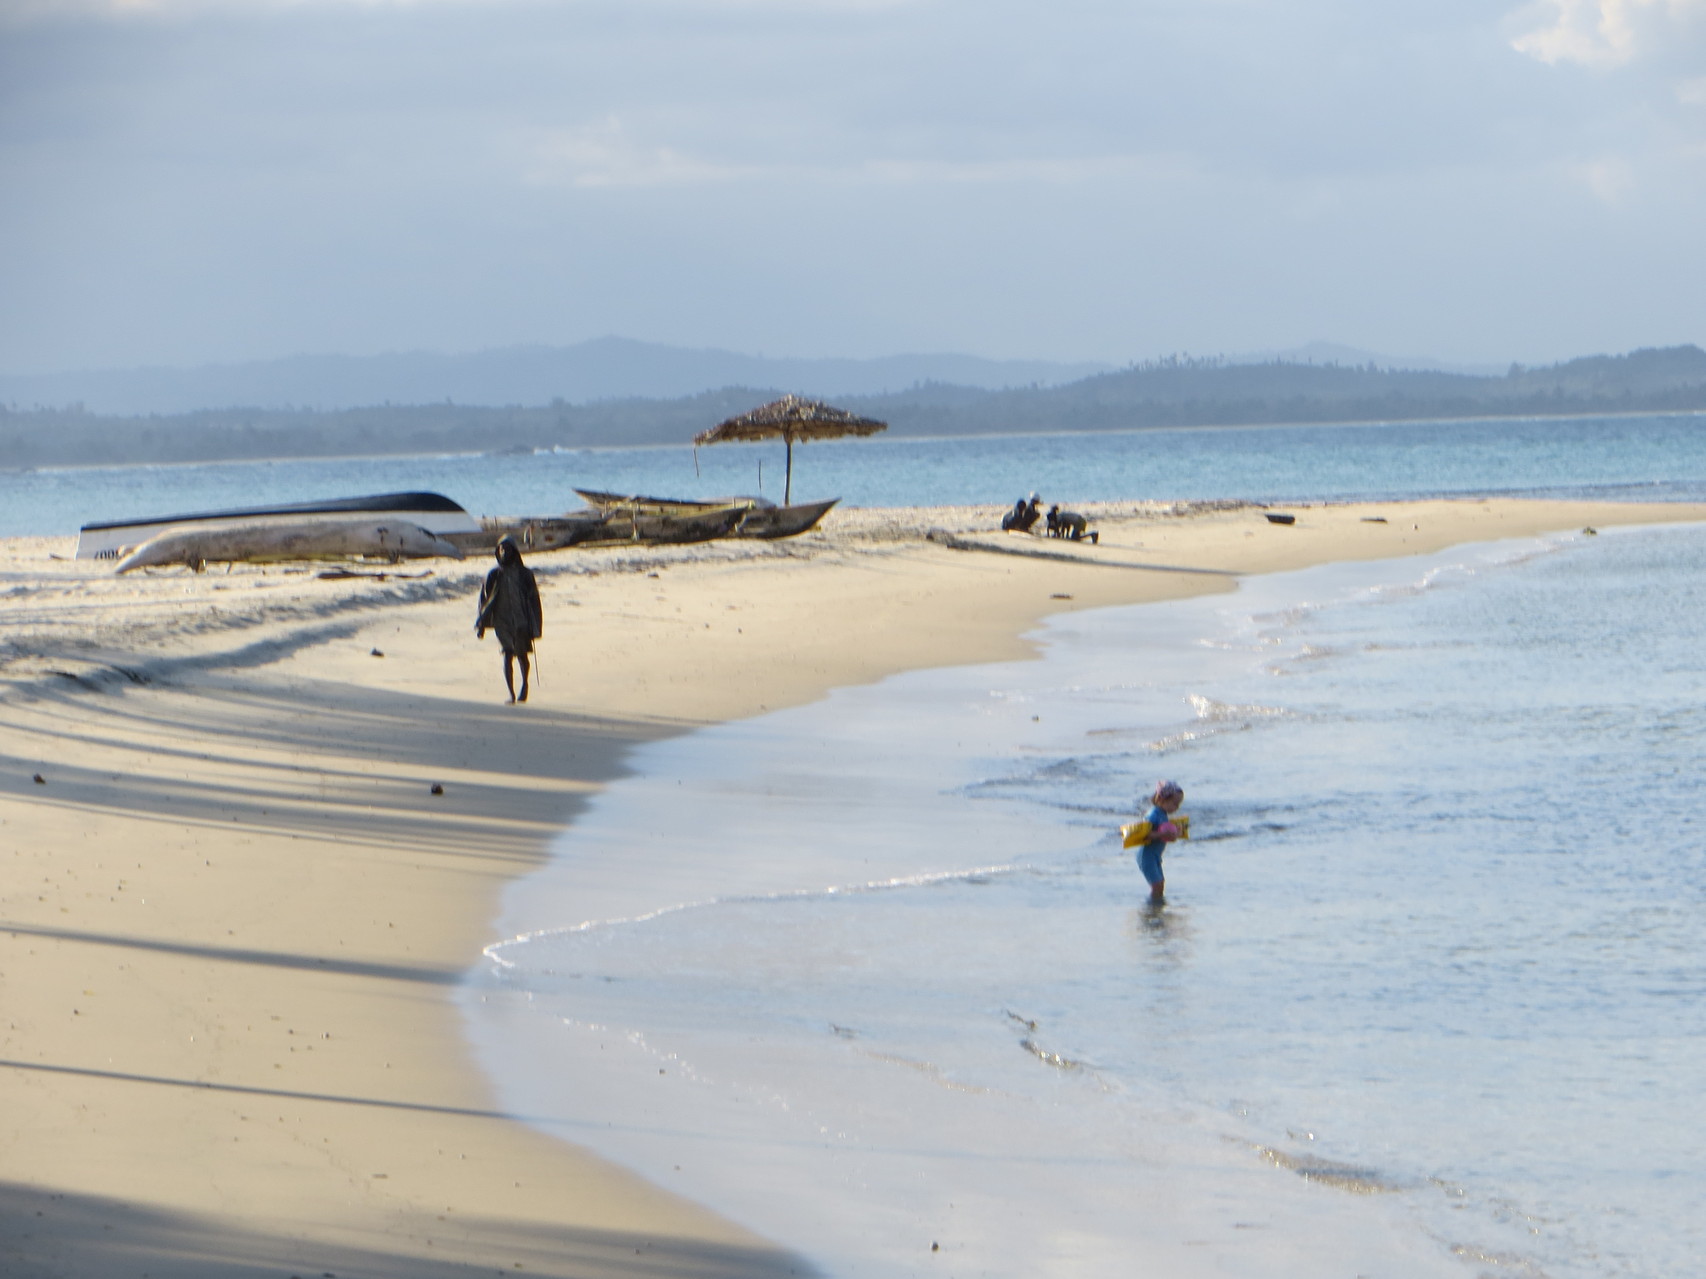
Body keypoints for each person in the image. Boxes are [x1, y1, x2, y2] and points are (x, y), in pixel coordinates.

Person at [475, 535, 542, 703]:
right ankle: (511, 693)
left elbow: (534, 599)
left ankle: (525, 685)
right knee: (507, 653)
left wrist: (536, 625)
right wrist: (481, 624)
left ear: (514, 551)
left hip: (521, 619)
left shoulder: (525, 574)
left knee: (522, 654)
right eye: (501, 549)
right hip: (502, 620)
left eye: (507, 549)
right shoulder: (493, 574)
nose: (504, 552)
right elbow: (484, 601)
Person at [1126, 780, 1185, 903]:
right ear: (1162, 799)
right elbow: (1144, 834)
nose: (1177, 807)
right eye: (1175, 804)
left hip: (1156, 856)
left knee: (1160, 884)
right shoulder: (1153, 814)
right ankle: (1152, 909)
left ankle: (1156, 906)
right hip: (1147, 856)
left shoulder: (1163, 814)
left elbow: (1165, 833)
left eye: (1179, 804)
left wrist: (1177, 832)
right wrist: (1162, 834)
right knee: (1156, 886)